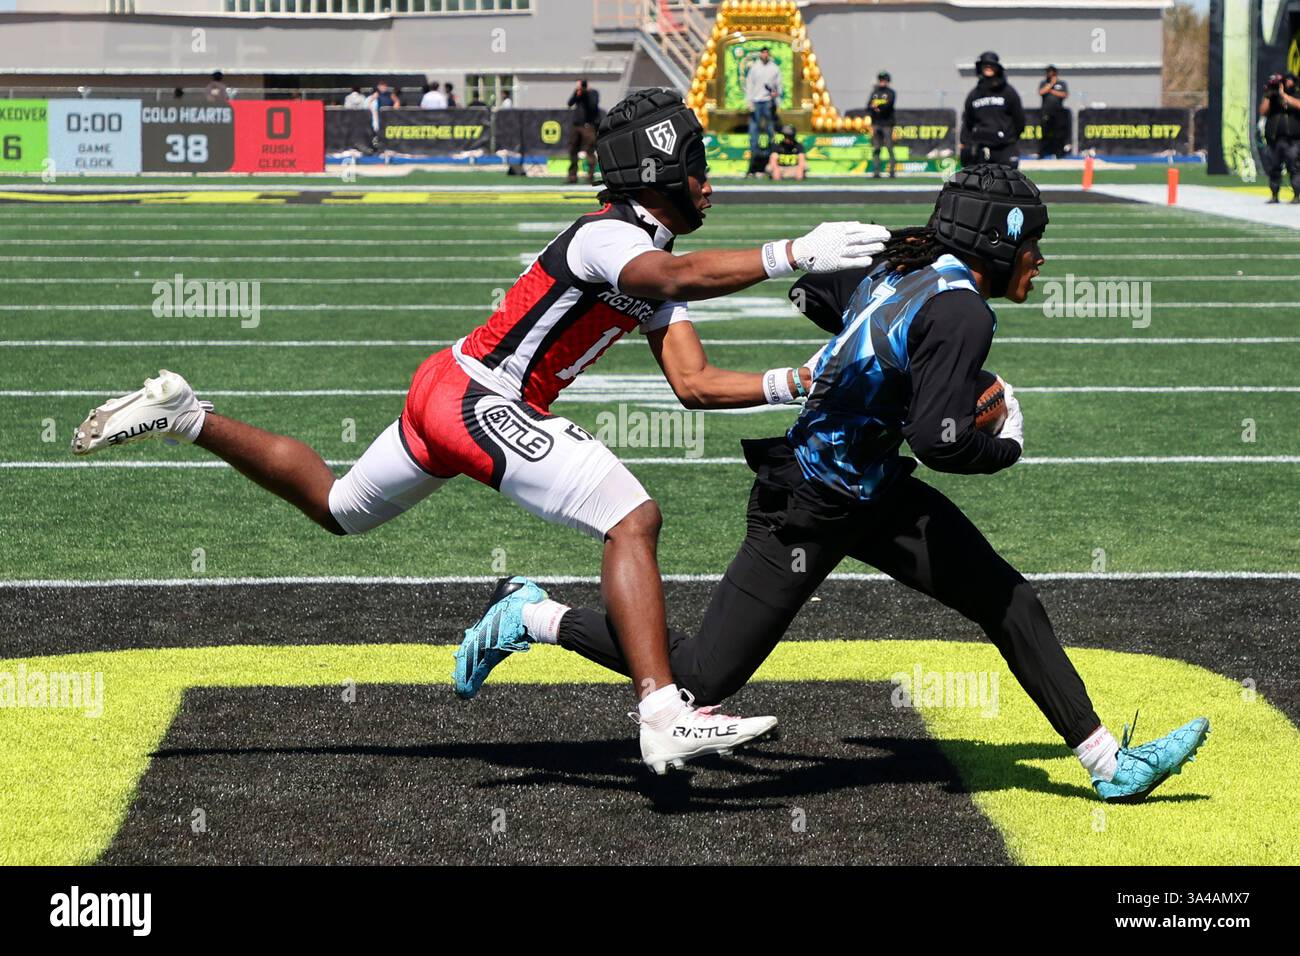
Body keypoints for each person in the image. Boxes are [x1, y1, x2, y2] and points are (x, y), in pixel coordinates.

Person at [70, 89, 889, 777]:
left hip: (453, 386)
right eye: (697, 167)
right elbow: (666, 277)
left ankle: (188, 414)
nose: (711, 181)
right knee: (631, 516)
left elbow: (694, 385)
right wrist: (792, 252)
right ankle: (661, 711)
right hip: (480, 396)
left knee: (341, 506)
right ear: (660, 172)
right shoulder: (615, 238)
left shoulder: (653, 254)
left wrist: (796, 380)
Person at [459, 164, 1212, 803]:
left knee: (1005, 597)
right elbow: (941, 441)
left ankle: (1107, 764)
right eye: (1033, 243)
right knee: (695, 677)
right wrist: (1003, 442)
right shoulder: (961, 311)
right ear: (999, 242)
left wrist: (882, 357)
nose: (1039, 259)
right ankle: (533, 616)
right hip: (811, 502)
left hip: (870, 486)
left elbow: (818, 296)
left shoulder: (907, 268)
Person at [960, 51, 1024, 168]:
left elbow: (1019, 120)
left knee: (1007, 183)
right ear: (980, 68)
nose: (988, 68)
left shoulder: (1008, 92)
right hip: (982, 149)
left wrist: (1009, 139)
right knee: (982, 183)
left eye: (991, 65)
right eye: (985, 65)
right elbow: (967, 122)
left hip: (1005, 148)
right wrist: (965, 144)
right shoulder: (974, 95)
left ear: (997, 68)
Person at [1260, 72, 1300, 204]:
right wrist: (1268, 95)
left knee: (1294, 168)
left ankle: (1296, 196)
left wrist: (1284, 95)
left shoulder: (1296, 94)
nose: (1287, 84)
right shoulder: (1273, 97)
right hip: (1275, 140)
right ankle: (1274, 195)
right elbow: (1263, 111)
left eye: (1290, 81)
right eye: (1285, 81)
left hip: (1293, 140)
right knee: (1274, 168)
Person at [745, 46, 783, 168]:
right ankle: (754, 152)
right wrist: (749, 101)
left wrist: (777, 98)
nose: (765, 55)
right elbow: (749, 84)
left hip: (768, 101)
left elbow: (778, 85)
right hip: (756, 100)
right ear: (760, 54)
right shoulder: (755, 68)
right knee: (754, 127)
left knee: (770, 127)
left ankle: (772, 151)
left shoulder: (774, 68)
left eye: (767, 53)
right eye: (763, 53)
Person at [566, 79, 600, 184]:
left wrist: (586, 92)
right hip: (576, 125)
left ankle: (590, 175)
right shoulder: (578, 93)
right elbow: (570, 103)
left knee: (589, 150)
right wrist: (577, 93)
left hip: (588, 125)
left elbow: (592, 105)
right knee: (573, 150)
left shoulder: (593, 93)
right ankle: (572, 176)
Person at [867, 70, 896, 178]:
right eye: (881, 80)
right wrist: (873, 108)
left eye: (884, 80)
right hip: (876, 123)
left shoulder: (890, 92)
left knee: (889, 147)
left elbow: (889, 105)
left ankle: (892, 171)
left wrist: (878, 108)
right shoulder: (875, 93)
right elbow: (868, 105)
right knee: (876, 148)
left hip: (887, 123)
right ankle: (876, 172)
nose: (882, 82)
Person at [1037, 66, 1069, 159]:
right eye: (1048, 72)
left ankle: (1059, 153)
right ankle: (1042, 154)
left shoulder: (1062, 83)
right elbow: (1041, 92)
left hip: (1058, 112)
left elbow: (1064, 94)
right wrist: (1051, 84)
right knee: (1044, 133)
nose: (1049, 74)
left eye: (1051, 72)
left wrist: (1051, 91)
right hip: (1046, 111)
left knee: (1058, 134)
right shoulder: (1044, 83)